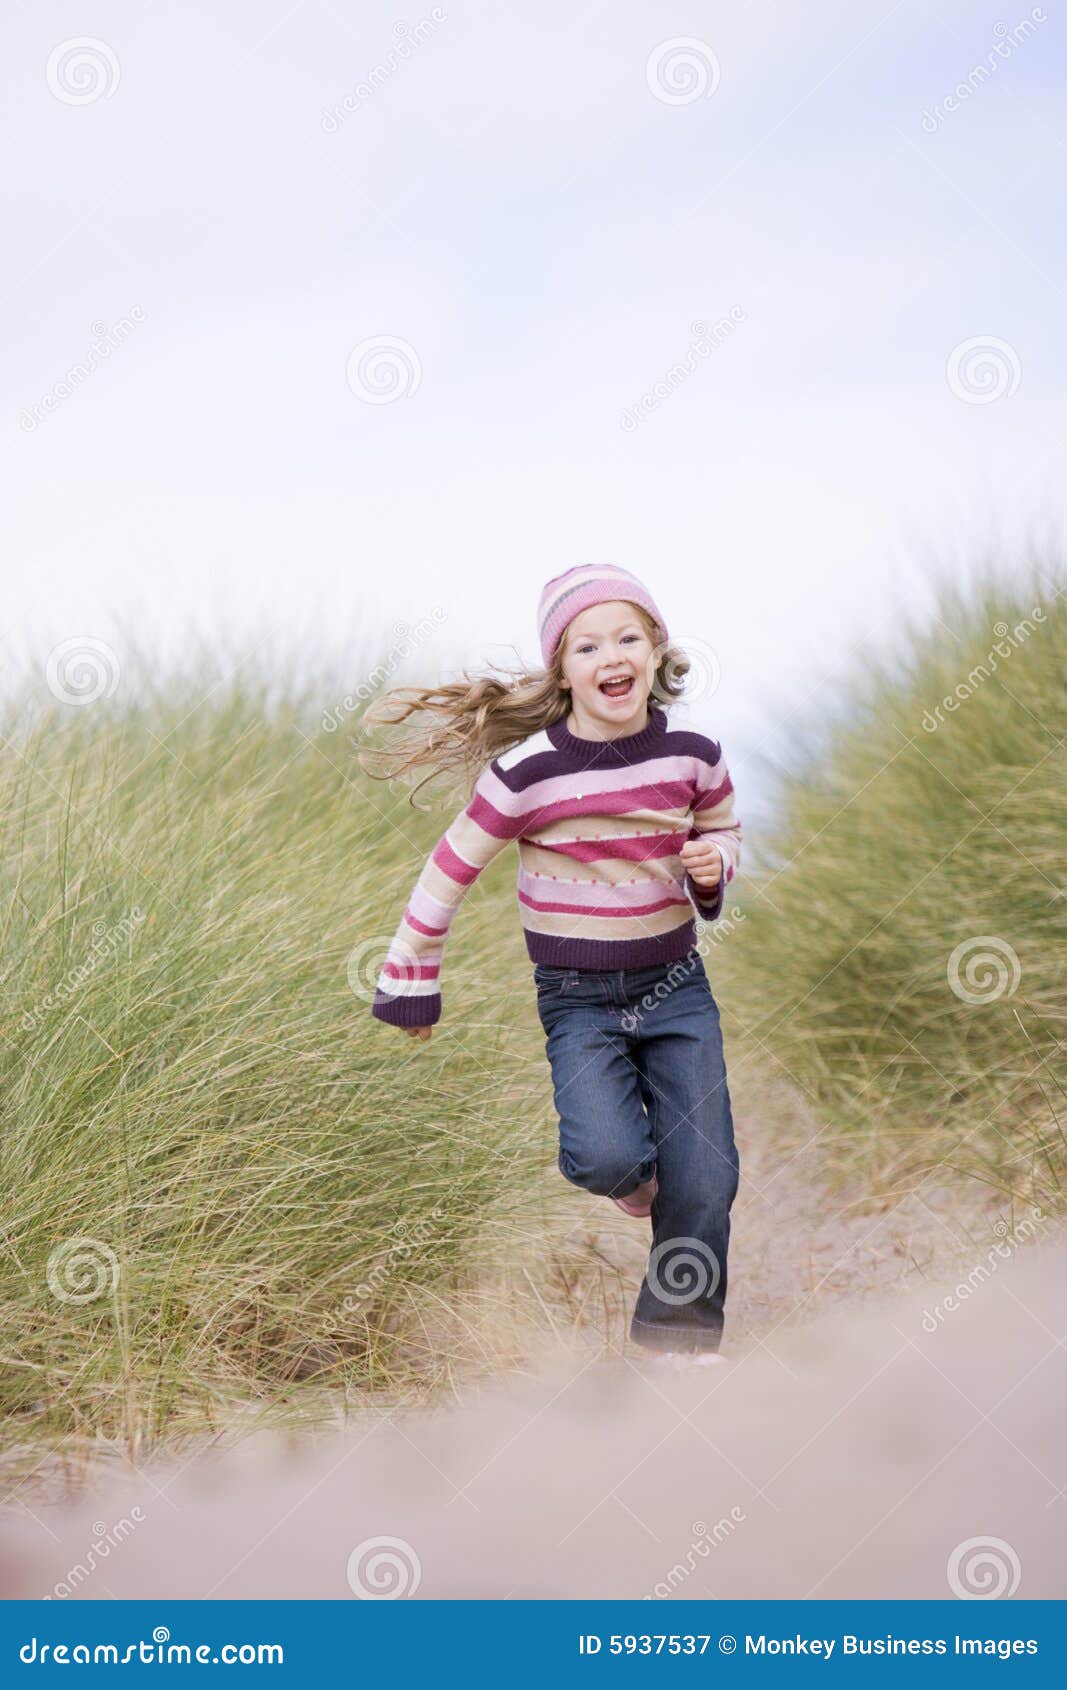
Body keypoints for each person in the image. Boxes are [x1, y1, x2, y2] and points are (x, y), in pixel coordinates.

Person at [362, 563, 742, 1368]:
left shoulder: (693, 755)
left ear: (656, 649)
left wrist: (714, 864)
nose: (612, 655)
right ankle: (635, 1183)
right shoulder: (529, 771)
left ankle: (677, 1339)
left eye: (628, 636)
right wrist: (411, 980)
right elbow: (449, 868)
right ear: (561, 672)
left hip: (676, 987)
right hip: (578, 998)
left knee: (706, 1178)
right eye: (587, 644)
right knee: (605, 1155)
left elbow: (723, 827)